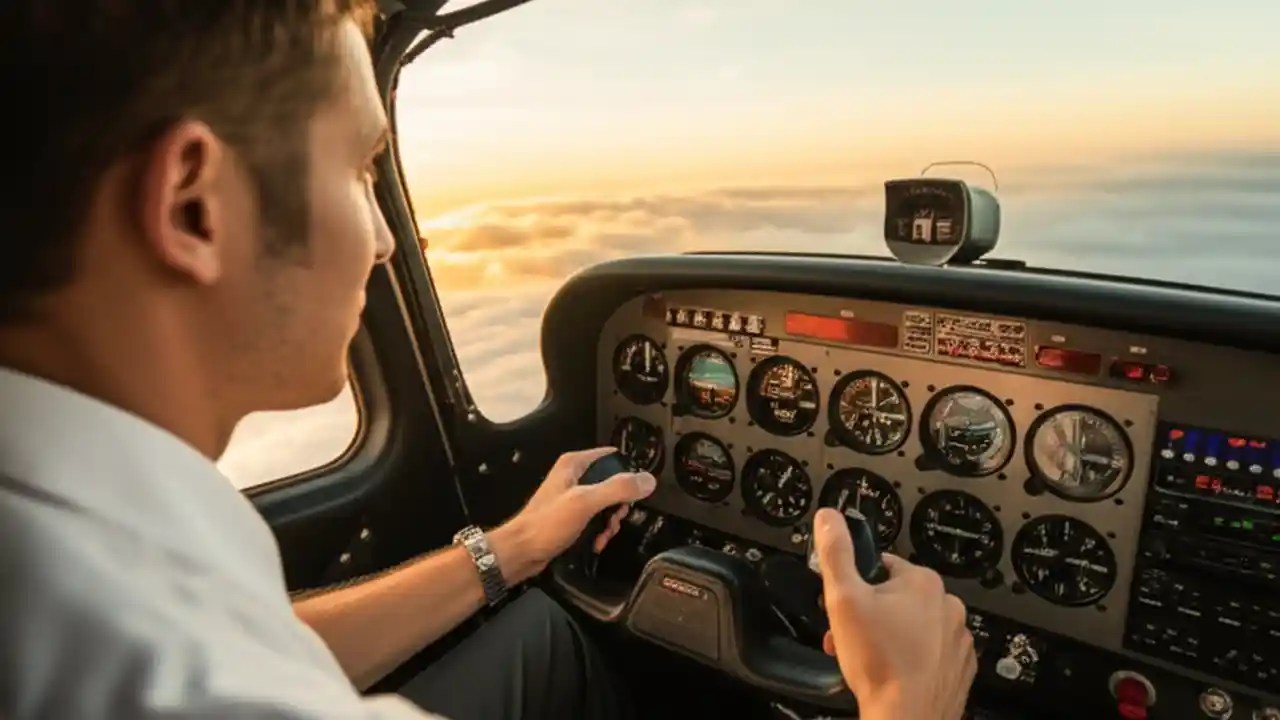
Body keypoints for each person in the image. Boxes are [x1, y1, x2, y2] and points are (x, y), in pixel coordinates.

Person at [0, 2, 976, 719]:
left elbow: (263, 636)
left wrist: (508, 549)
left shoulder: (72, 535)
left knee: (542, 633)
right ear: (193, 208)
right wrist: (905, 702)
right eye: (357, 170)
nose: (382, 240)